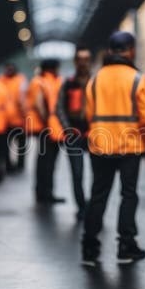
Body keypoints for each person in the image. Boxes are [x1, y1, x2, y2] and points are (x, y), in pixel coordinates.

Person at [81, 32, 145, 266]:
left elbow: (89, 115)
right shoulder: (137, 79)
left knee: (98, 195)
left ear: (110, 51)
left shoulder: (95, 80)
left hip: (100, 146)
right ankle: (126, 245)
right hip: (129, 147)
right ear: (130, 50)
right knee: (128, 194)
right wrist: (144, 140)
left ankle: (89, 247)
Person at [49, 47, 93, 220]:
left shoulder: (95, 82)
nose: (83, 63)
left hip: (94, 135)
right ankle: (82, 206)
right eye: (80, 59)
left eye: (86, 59)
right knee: (77, 173)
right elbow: (59, 107)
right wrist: (67, 129)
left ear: (89, 62)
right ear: (75, 62)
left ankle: (94, 207)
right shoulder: (68, 83)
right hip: (73, 135)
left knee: (99, 175)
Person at [25, 59, 64, 203]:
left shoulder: (49, 81)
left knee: (46, 162)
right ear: (53, 68)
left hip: (49, 128)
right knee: (46, 163)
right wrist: (47, 121)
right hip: (45, 128)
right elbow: (38, 103)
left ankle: (45, 192)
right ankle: (44, 193)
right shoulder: (40, 82)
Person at [0, 64, 28, 173]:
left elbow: (22, 100)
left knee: (10, 145)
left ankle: (12, 166)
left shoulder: (3, 81)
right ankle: (17, 165)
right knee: (18, 145)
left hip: (14, 120)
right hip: (8, 120)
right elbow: (23, 100)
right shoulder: (20, 81)